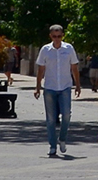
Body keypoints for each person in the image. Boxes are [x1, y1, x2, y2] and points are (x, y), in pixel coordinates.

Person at [33, 23, 82, 158]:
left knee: (66, 115)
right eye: (54, 36)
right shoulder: (45, 50)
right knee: (50, 119)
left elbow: (74, 67)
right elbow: (41, 69)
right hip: (50, 87)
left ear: (63, 36)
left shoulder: (69, 48)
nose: (57, 39)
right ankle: (52, 145)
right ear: (50, 36)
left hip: (65, 86)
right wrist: (37, 87)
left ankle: (62, 138)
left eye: (59, 36)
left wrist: (78, 85)